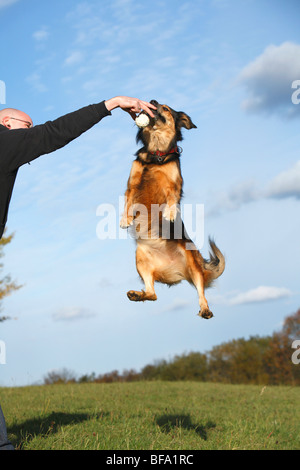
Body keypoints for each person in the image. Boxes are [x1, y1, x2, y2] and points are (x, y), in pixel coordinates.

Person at [0, 95, 156, 450]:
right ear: (7, 123)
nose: (30, 134)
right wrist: (110, 104)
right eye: (26, 128)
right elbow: (54, 133)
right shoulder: (5, 142)